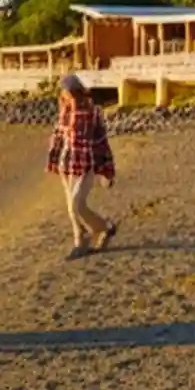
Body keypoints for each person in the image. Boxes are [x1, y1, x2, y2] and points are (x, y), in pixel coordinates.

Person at [46, 74, 117, 260]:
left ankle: (103, 227)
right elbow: (58, 137)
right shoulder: (65, 111)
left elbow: (101, 141)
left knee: (77, 204)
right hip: (66, 163)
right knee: (71, 207)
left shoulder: (92, 111)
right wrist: (53, 161)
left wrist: (107, 171)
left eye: (65, 90)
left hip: (86, 163)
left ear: (73, 91)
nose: (63, 93)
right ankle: (80, 240)